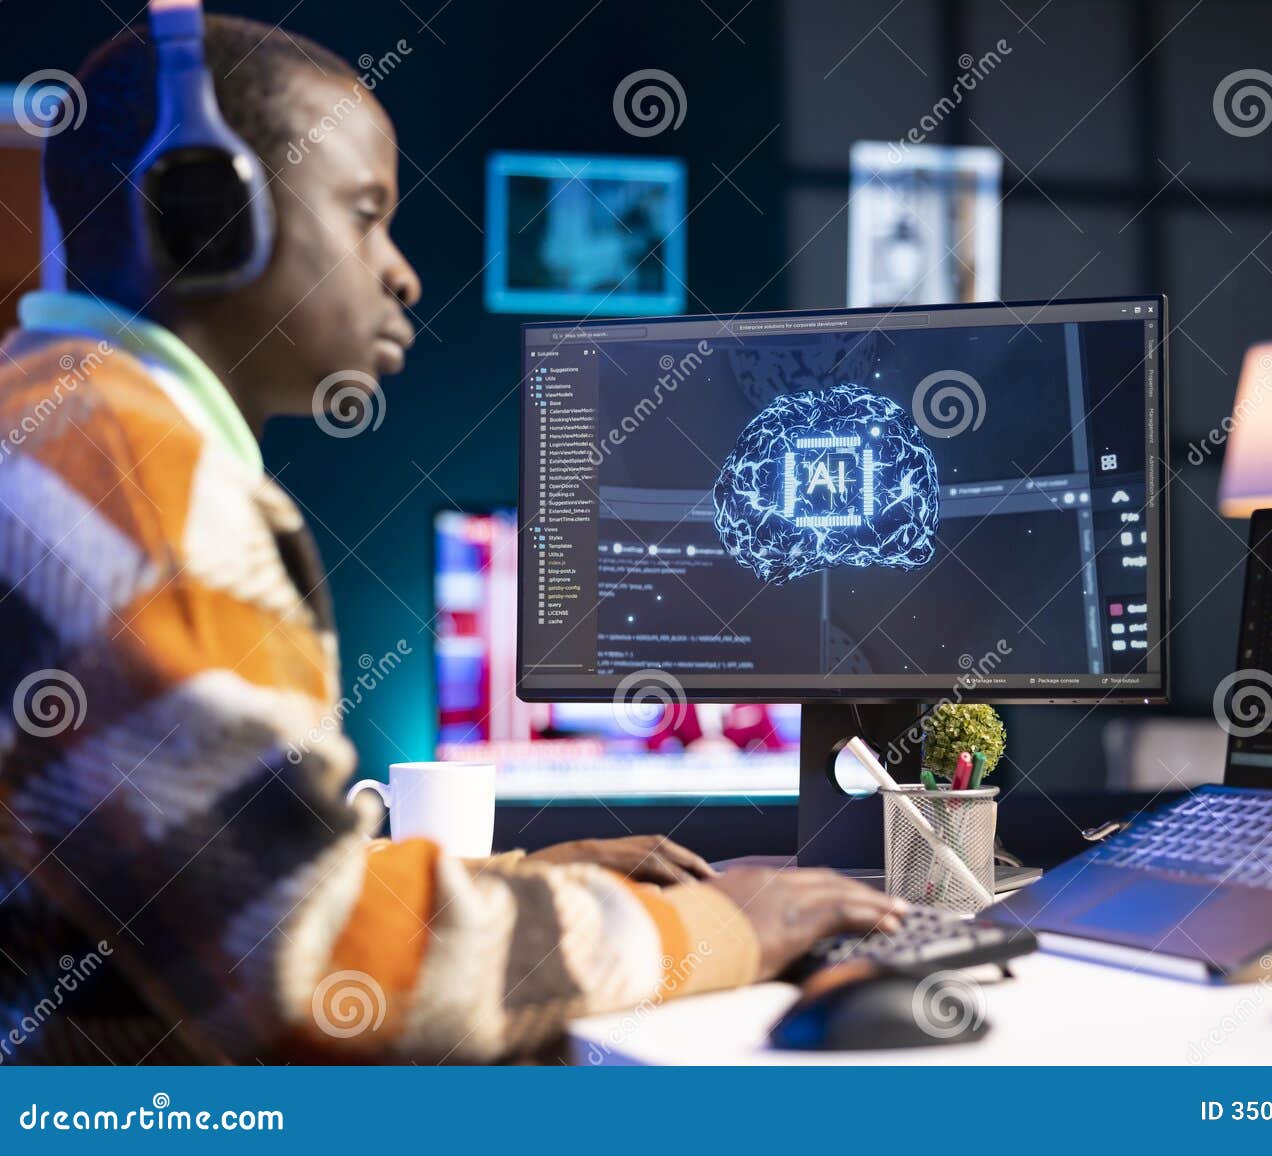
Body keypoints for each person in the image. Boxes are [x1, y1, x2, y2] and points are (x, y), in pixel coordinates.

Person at [0, 13, 901, 1064]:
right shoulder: (134, 481)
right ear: (212, 216)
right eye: (366, 214)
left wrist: (522, 889)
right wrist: (725, 928)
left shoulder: (56, 424)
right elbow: (323, 968)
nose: (403, 274)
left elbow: (198, 904)